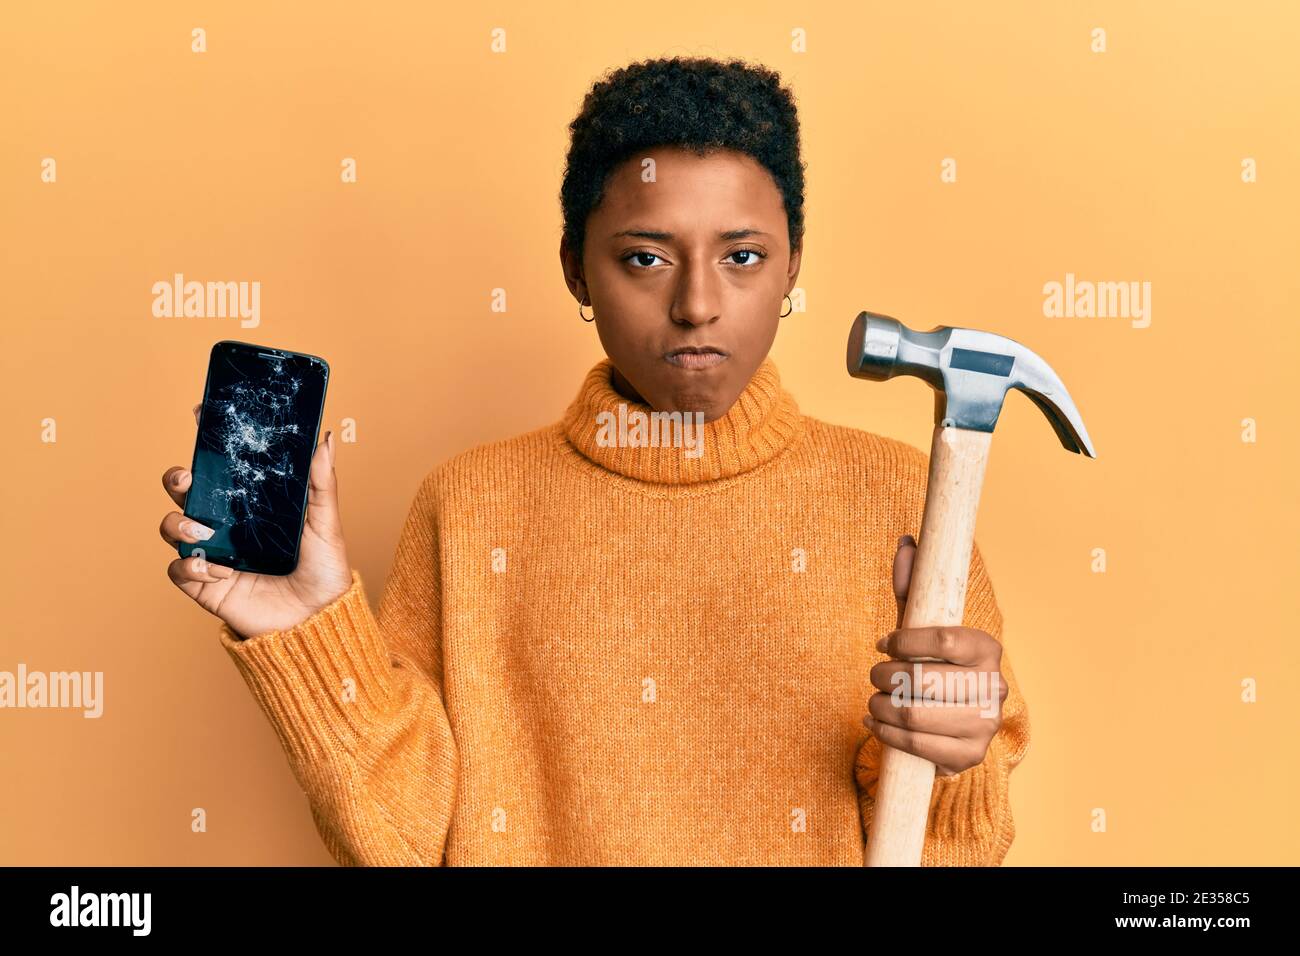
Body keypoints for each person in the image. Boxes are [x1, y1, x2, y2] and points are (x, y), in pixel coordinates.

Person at [158, 55, 1028, 866]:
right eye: (645, 258)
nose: (697, 304)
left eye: (743, 257)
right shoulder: (470, 505)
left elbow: (955, 850)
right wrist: (312, 635)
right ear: (576, 269)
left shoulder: (904, 499)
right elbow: (402, 840)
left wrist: (953, 763)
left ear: (793, 263)